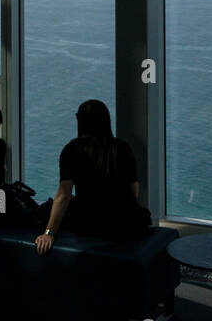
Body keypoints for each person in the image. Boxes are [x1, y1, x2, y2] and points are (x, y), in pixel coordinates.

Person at [35, 99, 150, 254]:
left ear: (80, 120)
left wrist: (48, 233)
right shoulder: (122, 148)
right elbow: (134, 191)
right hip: (127, 223)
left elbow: (63, 196)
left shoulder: (72, 149)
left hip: (90, 225)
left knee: (47, 209)